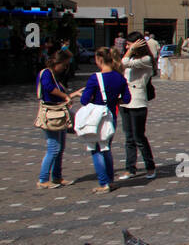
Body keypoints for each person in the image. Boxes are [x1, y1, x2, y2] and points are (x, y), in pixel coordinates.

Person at [80, 47, 130, 193]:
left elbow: (84, 100)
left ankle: (103, 183)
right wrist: (115, 100)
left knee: (96, 150)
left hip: (96, 119)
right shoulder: (119, 77)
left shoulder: (95, 78)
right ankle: (110, 180)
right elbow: (127, 98)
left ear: (99, 60)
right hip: (111, 116)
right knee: (106, 148)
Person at [119, 31, 157, 180]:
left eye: (130, 44)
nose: (127, 47)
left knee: (139, 137)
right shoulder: (131, 57)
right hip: (125, 100)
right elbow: (120, 65)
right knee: (128, 137)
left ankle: (150, 166)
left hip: (138, 101)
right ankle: (130, 168)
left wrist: (131, 49)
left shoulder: (146, 59)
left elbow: (124, 63)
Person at [36, 51, 74, 189]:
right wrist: (65, 96)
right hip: (51, 114)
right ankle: (43, 179)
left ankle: (57, 177)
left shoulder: (54, 75)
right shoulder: (47, 73)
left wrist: (69, 96)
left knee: (60, 147)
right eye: (64, 65)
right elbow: (48, 88)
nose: (65, 67)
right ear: (58, 62)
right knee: (54, 147)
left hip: (59, 113)